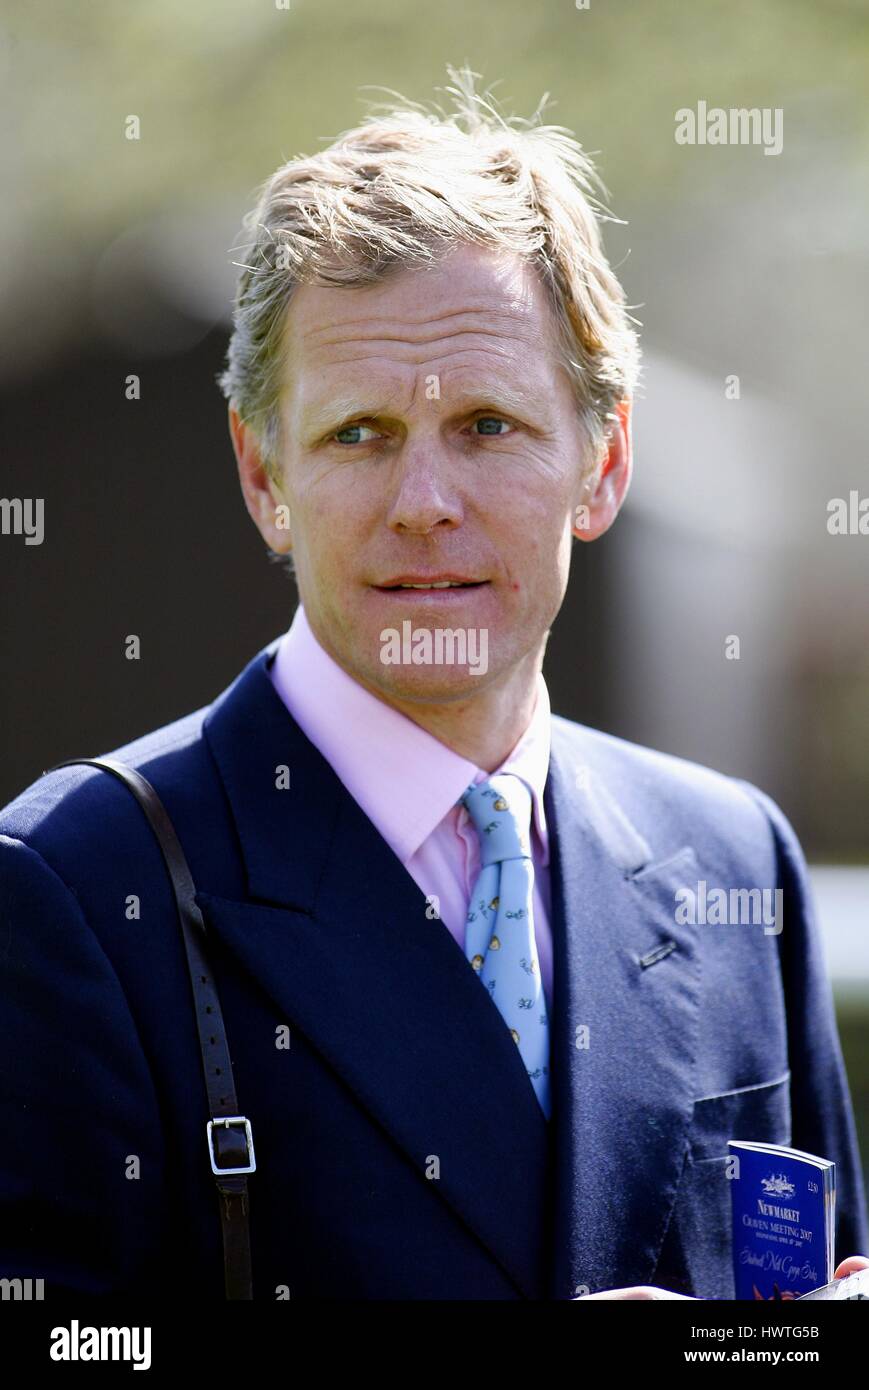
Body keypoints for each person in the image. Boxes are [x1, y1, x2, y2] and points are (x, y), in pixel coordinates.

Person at [1, 68, 866, 1301]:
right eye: (358, 434)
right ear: (263, 479)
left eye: (486, 426)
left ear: (603, 461)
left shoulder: (731, 861)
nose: (423, 506)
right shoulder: (76, 887)